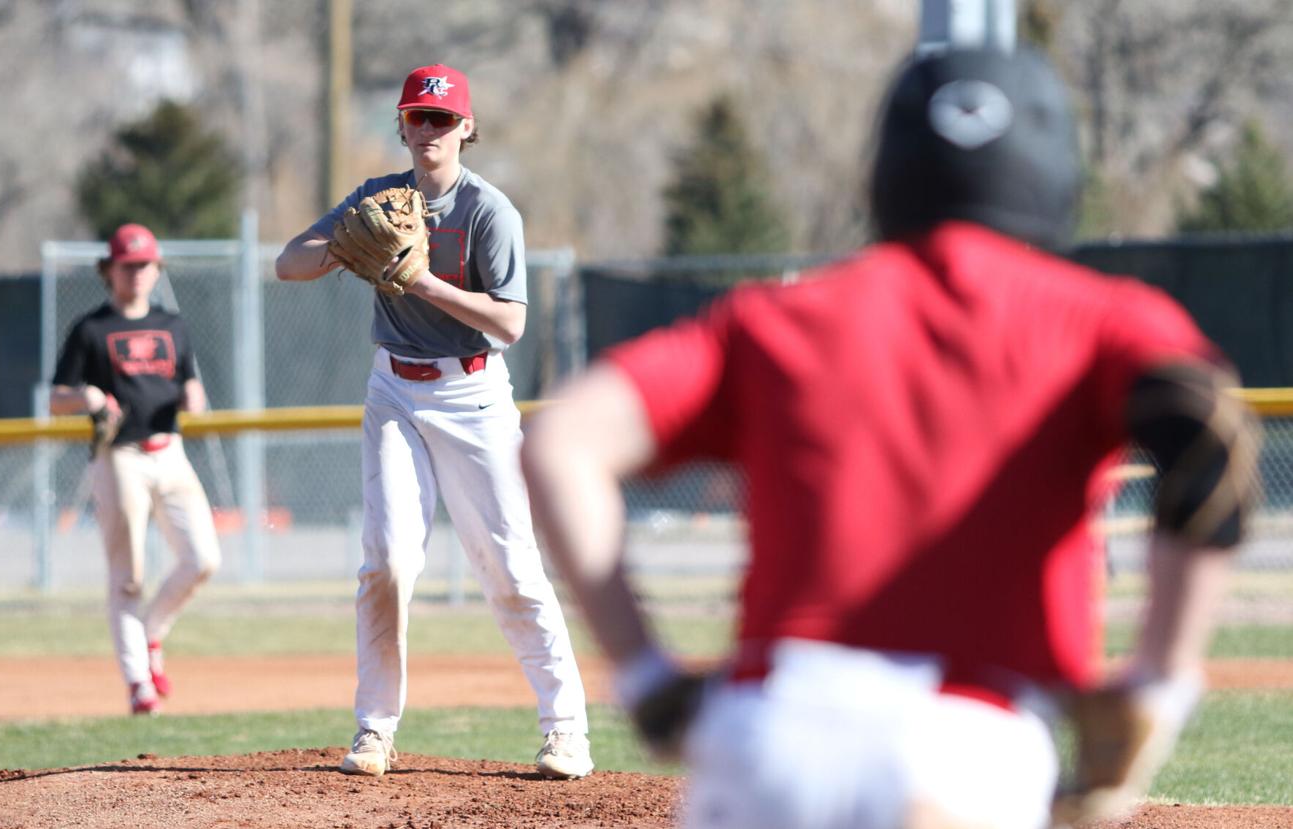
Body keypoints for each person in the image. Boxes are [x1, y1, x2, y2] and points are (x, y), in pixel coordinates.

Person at [521, 47, 1260, 829]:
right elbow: (1207, 431)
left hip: (770, 733)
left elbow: (561, 440)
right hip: (968, 740)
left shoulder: (775, 318)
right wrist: (1158, 681)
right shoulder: (1103, 318)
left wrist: (644, 674)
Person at [275, 63, 593, 780]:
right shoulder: (377, 199)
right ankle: (373, 730)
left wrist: (418, 279)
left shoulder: (489, 212)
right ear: (401, 125)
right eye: (418, 117)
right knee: (385, 561)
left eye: (443, 119)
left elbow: (509, 323)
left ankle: (564, 728)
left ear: (467, 128)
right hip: (394, 390)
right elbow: (286, 265)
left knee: (510, 570)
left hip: (473, 397)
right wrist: (342, 246)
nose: (429, 130)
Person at [50, 223, 222, 716]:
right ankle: (137, 685)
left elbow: (192, 387)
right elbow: (56, 398)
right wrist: (83, 395)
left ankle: (151, 634)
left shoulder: (173, 325)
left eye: (145, 264)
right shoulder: (92, 329)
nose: (137, 273)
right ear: (110, 270)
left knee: (203, 559)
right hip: (119, 457)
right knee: (128, 578)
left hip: (170, 451)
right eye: (128, 264)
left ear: (156, 268)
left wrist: (195, 397)